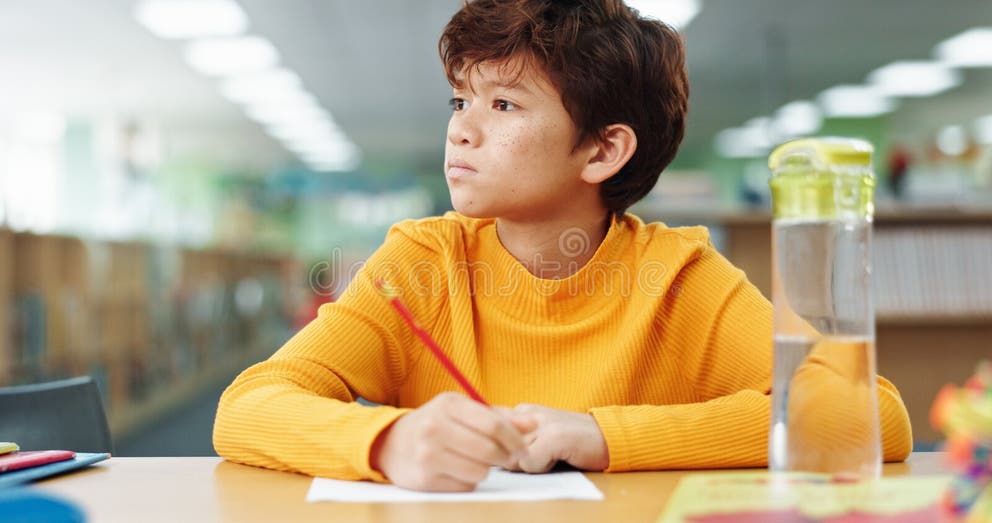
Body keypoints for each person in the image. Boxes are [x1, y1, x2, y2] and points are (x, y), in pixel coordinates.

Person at [213, 0, 913, 492]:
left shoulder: (678, 276)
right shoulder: (420, 265)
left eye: (504, 104)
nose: (461, 129)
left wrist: (602, 436)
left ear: (604, 150)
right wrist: (387, 442)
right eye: (460, 100)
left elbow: (869, 415)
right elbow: (246, 406)